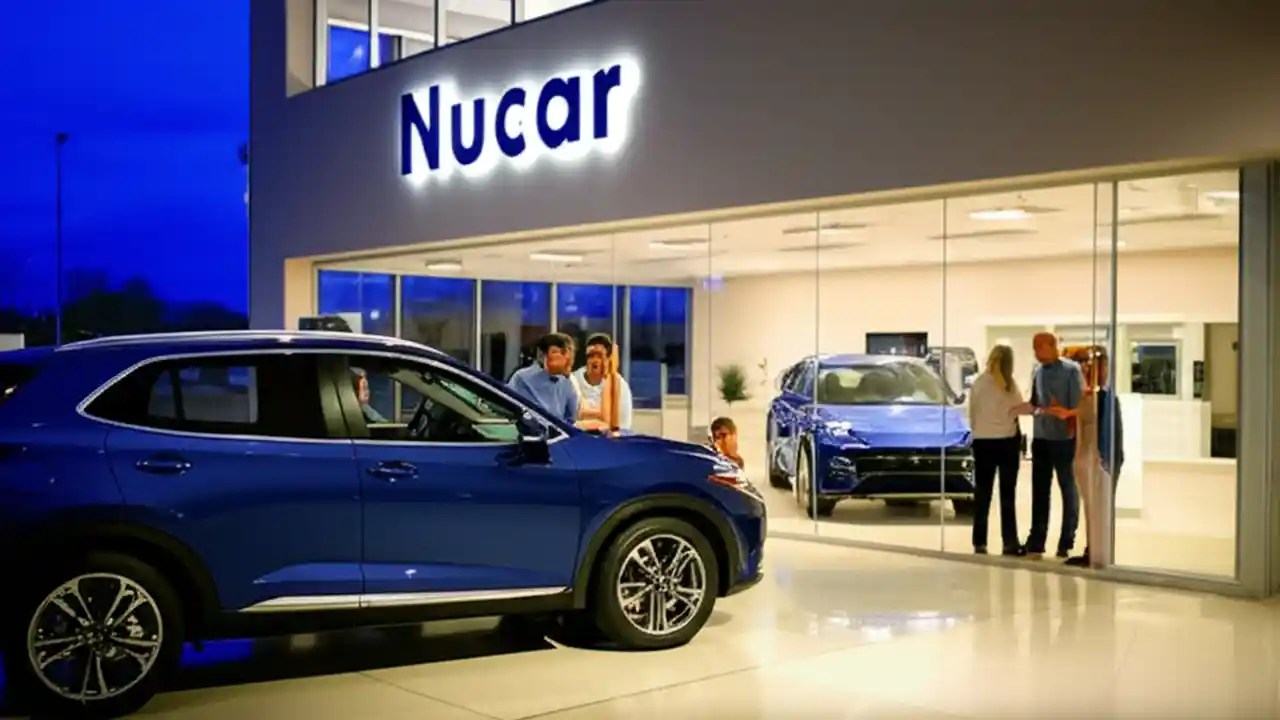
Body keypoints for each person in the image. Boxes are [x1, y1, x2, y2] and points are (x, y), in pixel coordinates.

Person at [1016, 332, 1084, 560]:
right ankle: (1037, 541)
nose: (1036, 352)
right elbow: (1036, 403)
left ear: (1052, 346)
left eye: (1039, 347)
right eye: (1034, 348)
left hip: (1065, 440)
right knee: (1040, 491)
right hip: (1041, 439)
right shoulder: (1037, 371)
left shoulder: (1072, 371)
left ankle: (1066, 541)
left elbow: (1080, 407)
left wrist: (1065, 413)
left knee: (1068, 490)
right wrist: (1028, 409)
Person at [1066, 346, 1123, 568]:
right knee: (1090, 508)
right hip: (1084, 459)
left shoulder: (1106, 398)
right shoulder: (1086, 395)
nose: (1086, 367)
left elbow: (1111, 433)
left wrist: (1108, 462)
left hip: (1098, 460)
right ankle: (1092, 550)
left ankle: (1099, 552)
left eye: (1090, 363)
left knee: (1099, 508)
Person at [967, 345, 1025, 556]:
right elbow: (1019, 408)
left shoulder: (978, 383)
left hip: (983, 442)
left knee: (982, 493)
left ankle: (979, 542)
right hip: (1006, 442)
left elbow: (971, 414)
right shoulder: (1009, 385)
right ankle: (1009, 542)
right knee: (1007, 494)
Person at [508, 333, 579, 425]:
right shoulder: (521, 378)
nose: (567, 358)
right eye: (561, 352)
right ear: (542, 355)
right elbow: (508, 407)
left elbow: (571, 418)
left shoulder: (567, 383)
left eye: (569, 353)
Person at [570, 333, 634, 432]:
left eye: (599, 356)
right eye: (591, 356)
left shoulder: (618, 384)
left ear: (608, 359)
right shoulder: (573, 380)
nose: (594, 360)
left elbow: (623, 425)